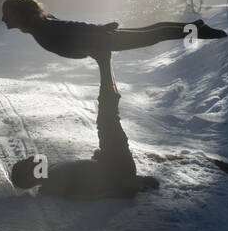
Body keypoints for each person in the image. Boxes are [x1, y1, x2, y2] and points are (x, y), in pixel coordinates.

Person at [1, 0, 227, 93]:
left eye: (7, 15)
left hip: (103, 40)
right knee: (153, 31)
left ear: (20, 15)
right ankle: (196, 27)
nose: (3, 19)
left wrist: (99, 30)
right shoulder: (42, 25)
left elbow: (72, 26)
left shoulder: (42, 28)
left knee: (154, 34)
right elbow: (66, 26)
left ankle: (201, 31)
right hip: (100, 41)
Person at [11, 81, 159, 199]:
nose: (29, 159)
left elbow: (83, 175)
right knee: (107, 120)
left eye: (24, 160)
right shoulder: (51, 185)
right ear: (30, 177)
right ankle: (106, 69)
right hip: (117, 170)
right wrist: (126, 187)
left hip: (113, 165)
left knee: (107, 120)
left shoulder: (50, 172)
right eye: (25, 164)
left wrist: (99, 160)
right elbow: (88, 192)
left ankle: (107, 77)